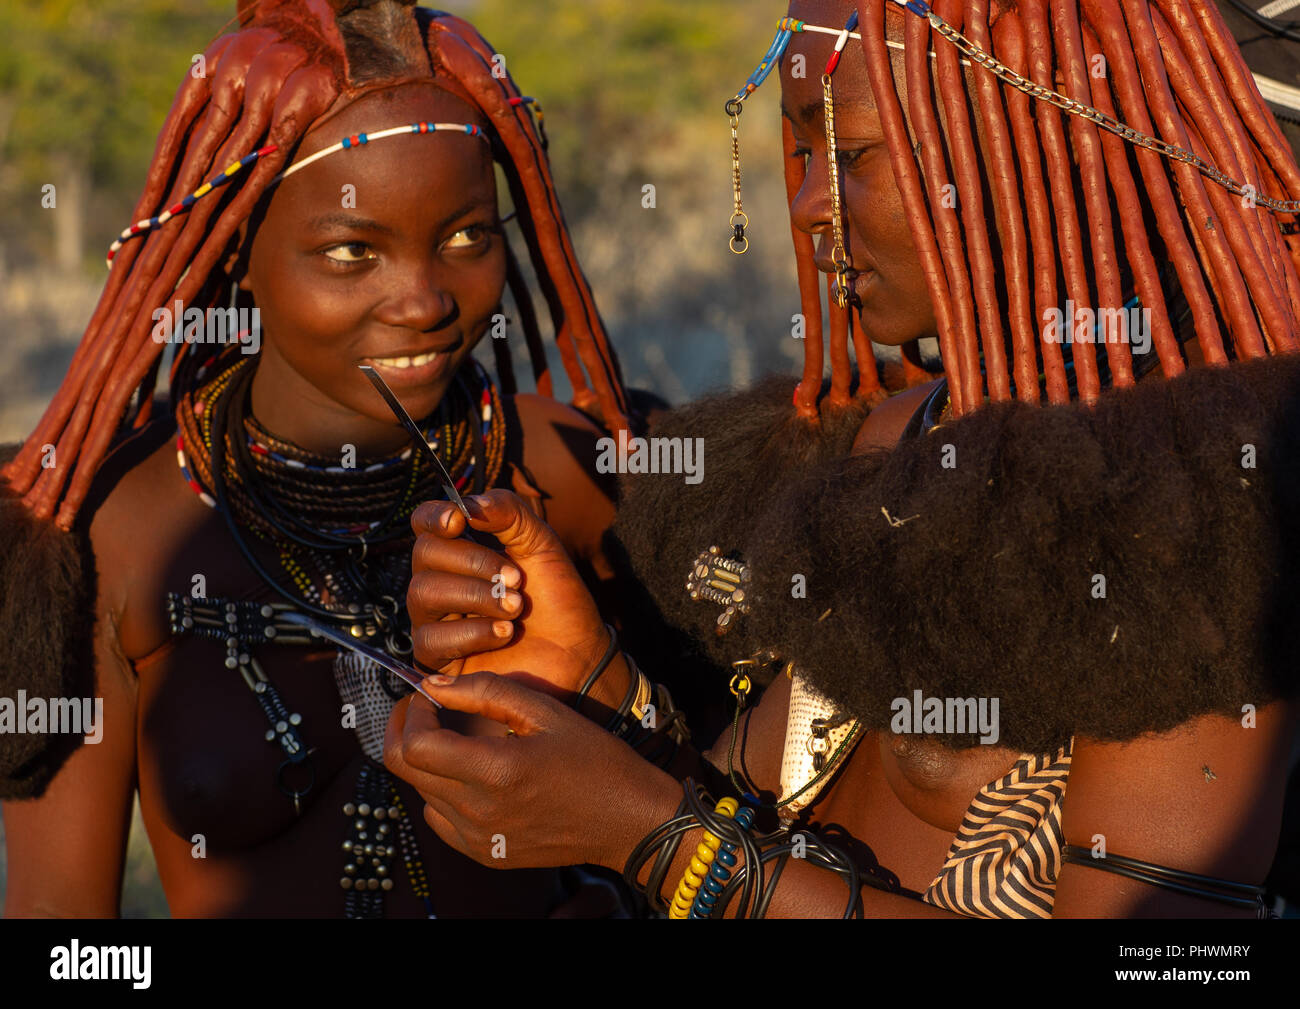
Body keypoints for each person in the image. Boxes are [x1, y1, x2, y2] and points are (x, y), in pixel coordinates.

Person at [384, 0, 1300, 917]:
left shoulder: (1195, 518)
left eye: (852, 155)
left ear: (1033, 138)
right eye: (799, 153)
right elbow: (758, 816)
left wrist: (653, 838)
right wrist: (591, 681)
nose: (810, 206)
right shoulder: (902, 440)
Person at [0, 0, 632, 918]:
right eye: (350, 251)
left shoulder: (562, 477)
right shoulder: (117, 534)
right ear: (240, 253)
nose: (422, 300)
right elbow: (61, 934)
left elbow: (702, 820)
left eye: (466, 237)